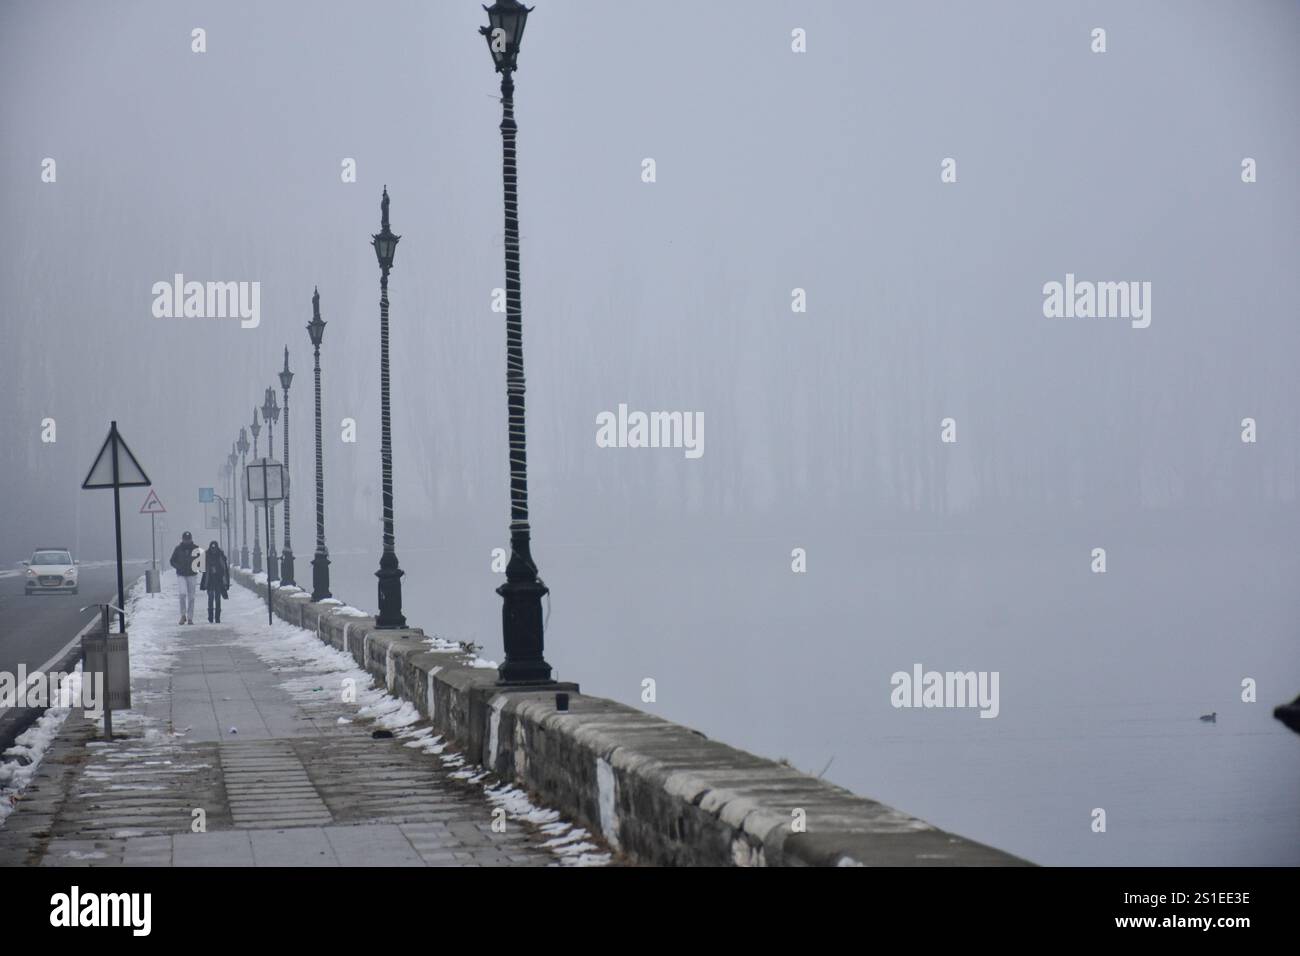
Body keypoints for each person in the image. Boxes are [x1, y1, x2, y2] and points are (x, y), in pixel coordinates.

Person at [169, 531, 200, 625]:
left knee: (191, 597)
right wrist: (178, 566)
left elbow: (201, 561)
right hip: (181, 574)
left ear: (191, 539)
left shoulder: (196, 549)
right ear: (182, 539)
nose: (187, 541)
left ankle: (190, 617)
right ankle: (183, 615)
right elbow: (172, 560)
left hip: (192, 575)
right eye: (185, 539)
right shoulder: (178, 549)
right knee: (182, 594)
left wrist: (196, 567)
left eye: (188, 539)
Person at [199, 539, 230, 624]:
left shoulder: (220, 556)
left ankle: (217, 618)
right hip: (209, 580)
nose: (213, 550)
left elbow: (225, 570)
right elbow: (201, 568)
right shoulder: (206, 555)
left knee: (217, 599)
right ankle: (210, 617)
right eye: (212, 548)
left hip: (218, 580)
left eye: (214, 548)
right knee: (210, 598)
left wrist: (225, 581)